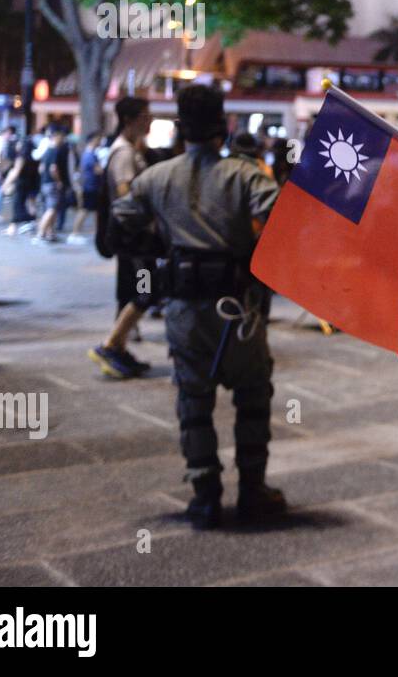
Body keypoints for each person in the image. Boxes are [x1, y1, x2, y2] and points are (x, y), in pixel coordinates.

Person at [113, 84, 282, 529]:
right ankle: (252, 491)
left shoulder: (155, 177)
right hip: (237, 311)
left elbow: (121, 220)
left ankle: (205, 496)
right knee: (252, 397)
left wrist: (162, 244)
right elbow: (282, 219)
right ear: (224, 124)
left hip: (184, 308)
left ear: (182, 128)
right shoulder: (246, 175)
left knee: (194, 400)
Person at [89, 97, 155, 378]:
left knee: (131, 292)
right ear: (130, 119)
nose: (149, 120)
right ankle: (110, 346)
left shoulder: (128, 149)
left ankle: (119, 349)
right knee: (146, 290)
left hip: (131, 236)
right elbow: (126, 192)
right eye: (145, 115)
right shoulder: (125, 153)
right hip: (135, 236)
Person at [35, 126, 72, 243]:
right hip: (52, 184)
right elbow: (53, 168)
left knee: (49, 209)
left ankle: (50, 233)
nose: (62, 139)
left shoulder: (47, 151)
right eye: (61, 136)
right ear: (56, 137)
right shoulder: (55, 150)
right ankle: (40, 234)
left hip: (45, 183)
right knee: (52, 209)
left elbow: (41, 168)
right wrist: (59, 181)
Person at [68, 132, 103, 244]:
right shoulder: (90, 155)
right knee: (84, 210)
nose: (100, 142)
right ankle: (74, 233)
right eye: (98, 139)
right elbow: (98, 170)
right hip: (90, 187)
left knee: (92, 210)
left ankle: (97, 232)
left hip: (91, 186)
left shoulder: (89, 154)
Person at [3, 136, 41, 236]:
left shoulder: (21, 157)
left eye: (18, 143)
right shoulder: (33, 156)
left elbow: (16, 171)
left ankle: (17, 226)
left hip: (21, 183)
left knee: (18, 204)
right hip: (33, 182)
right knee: (31, 204)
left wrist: (6, 183)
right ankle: (33, 224)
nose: (16, 145)